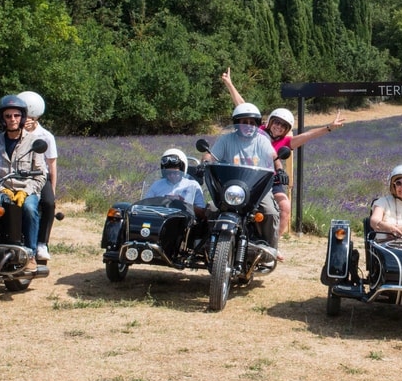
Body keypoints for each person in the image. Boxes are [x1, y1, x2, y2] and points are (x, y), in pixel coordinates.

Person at [221, 68, 344, 241]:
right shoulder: (257, 130)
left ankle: (273, 243)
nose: (278, 127)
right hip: (247, 176)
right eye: (276, 122)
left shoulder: (286, 143)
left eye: (283, 126)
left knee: (285, 206)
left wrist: (329, 127)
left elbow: (307, 135)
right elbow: (243, 107)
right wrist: (229, 84)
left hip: (269, 180)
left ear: (286, 130)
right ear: (270, 121)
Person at [202, 102, 281, 258]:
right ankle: (210, 245)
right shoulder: (226, 140)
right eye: (244, 122)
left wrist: (280, 170)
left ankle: (270, 250)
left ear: (257, 125)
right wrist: (204, 162)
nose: (248, 125)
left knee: (270, 211)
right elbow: (210, 155)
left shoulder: (262, 140)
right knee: (211, 209)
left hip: (255, 190)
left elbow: (274, 157)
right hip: (231, 188)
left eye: (252, 123)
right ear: (237, 124)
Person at [0, 95, 47, 273]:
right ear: (2, 118)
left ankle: (31, 255)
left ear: (22, 117)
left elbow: (41, 175)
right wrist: (2, 189)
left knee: (29, 209)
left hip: (27, 190)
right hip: (2, 189)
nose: (12, 120)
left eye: (16, 115)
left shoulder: (33, 142)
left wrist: (25, 191)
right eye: (8, 116)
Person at [18, 91, 58, 263]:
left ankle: (42, 242)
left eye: (31, 117)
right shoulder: (15, 132)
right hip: (20, 173)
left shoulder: (46, 136)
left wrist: (53, 189)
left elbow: (52, 164)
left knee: (49, 203)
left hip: (41, 175)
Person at [143, 148, 206, 216]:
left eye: (175, 173)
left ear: (183, 170)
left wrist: (183, 203)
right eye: (169, 173)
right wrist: (160, 201)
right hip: (160, 219)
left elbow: (201, 212)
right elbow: (144, 206)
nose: (172, 176)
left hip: (183, 221)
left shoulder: (193, 185)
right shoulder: (157, 185)